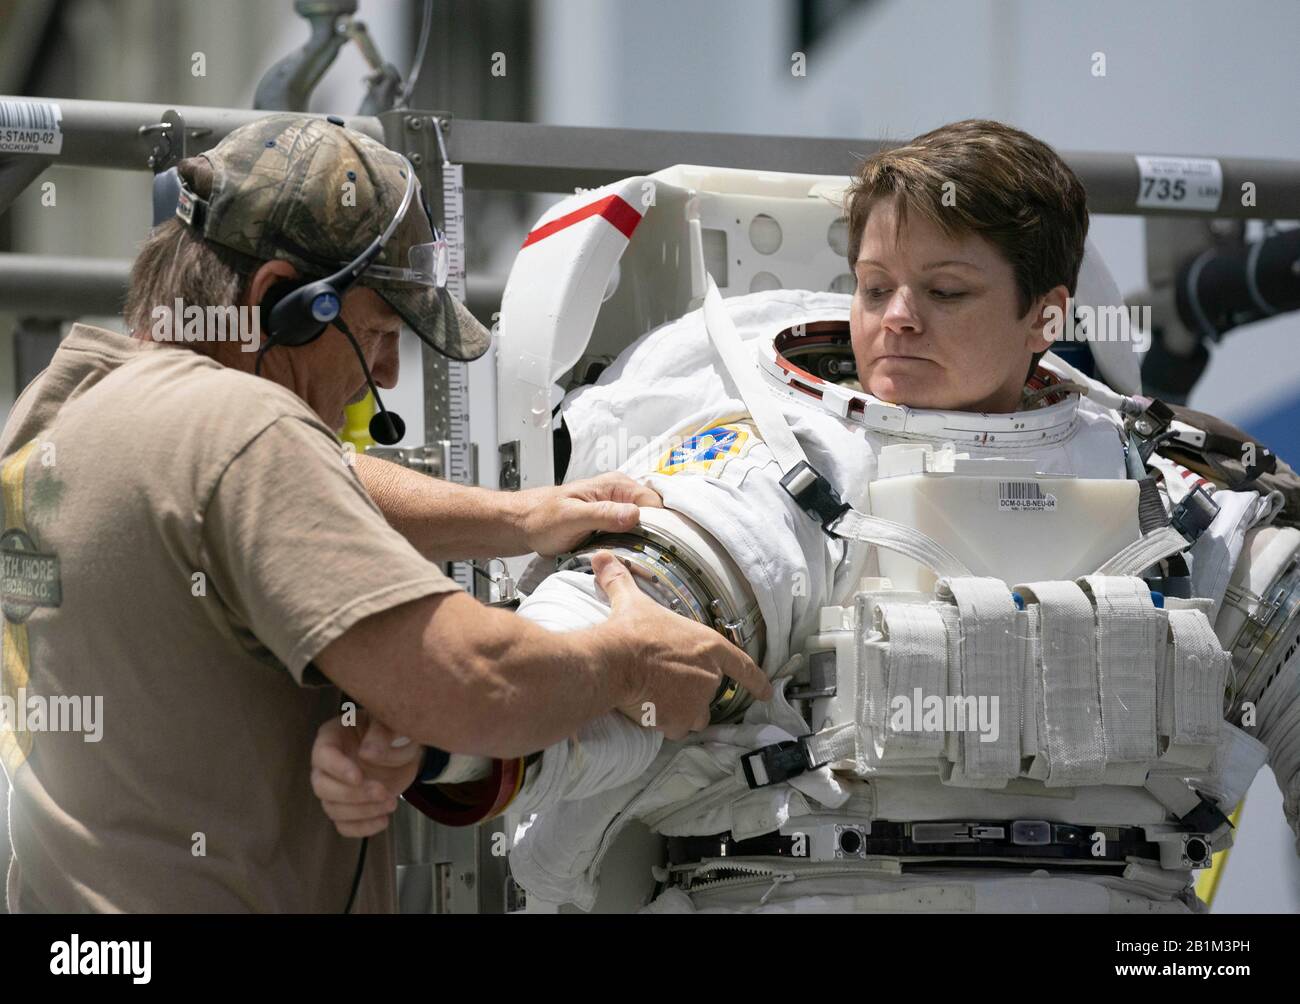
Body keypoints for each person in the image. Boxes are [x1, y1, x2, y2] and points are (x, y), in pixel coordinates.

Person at [313, 119, 1299, 913]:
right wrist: (434, 734)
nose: (896, 316)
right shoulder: (782, 459)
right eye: (875, 287)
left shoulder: (1169, 493)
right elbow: (611, 631)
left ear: (1045, 316)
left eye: (944, 291)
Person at [0, 112, 769, 914]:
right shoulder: (245, 432)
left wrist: (515, 518)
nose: (388, 370)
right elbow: (472, 684)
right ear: (280, 302)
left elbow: (306, 483)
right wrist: (627, 660)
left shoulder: (64, 416)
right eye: (374, 333)